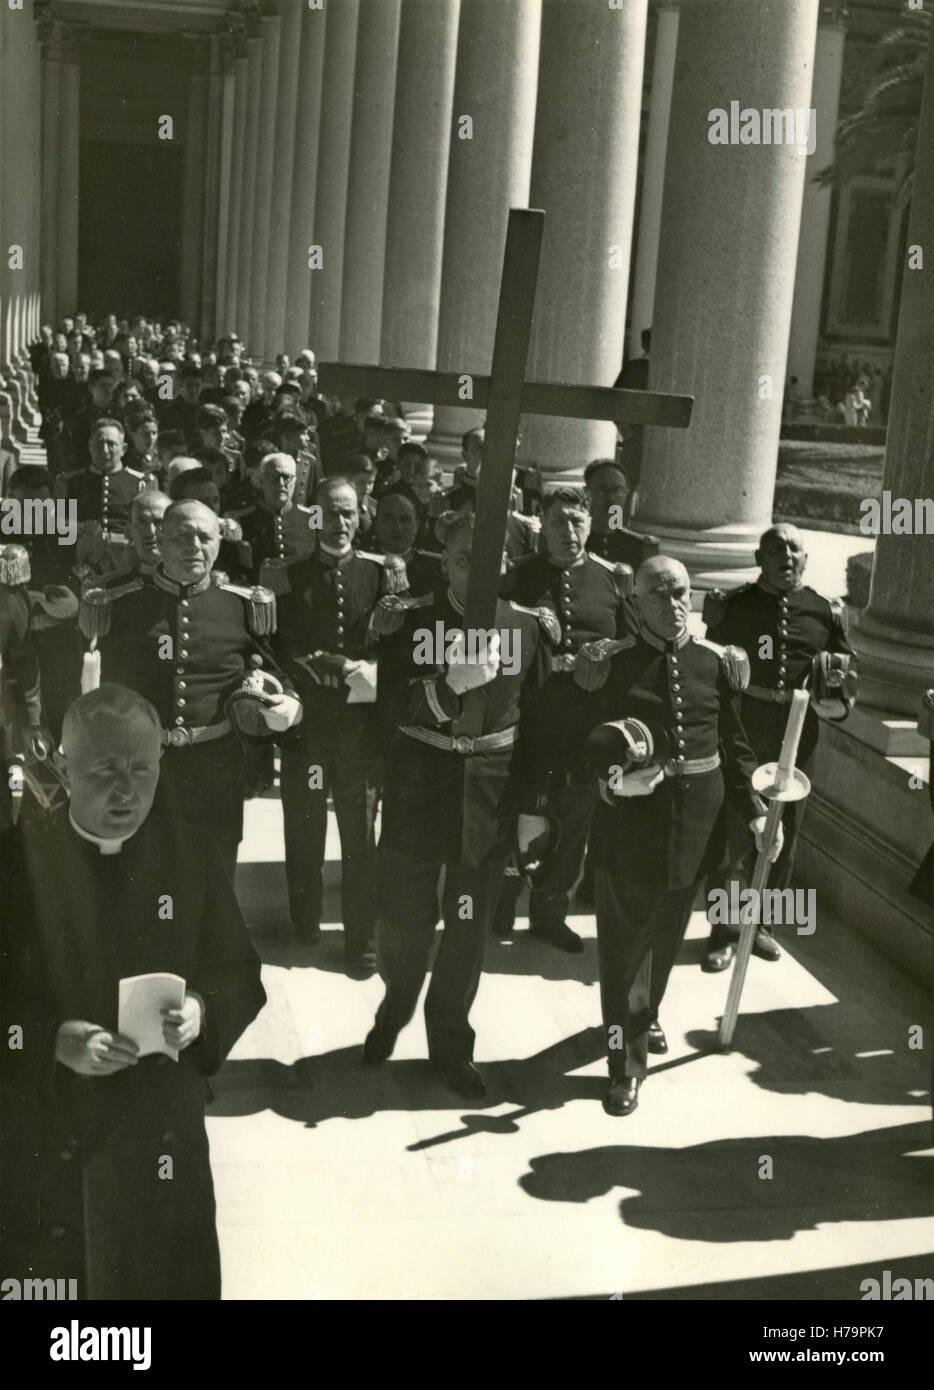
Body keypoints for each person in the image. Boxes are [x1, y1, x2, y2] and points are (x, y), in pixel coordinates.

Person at [0, 683, 266, 1299]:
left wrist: (203, 1011)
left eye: (142, 768)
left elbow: (241, 975)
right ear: (64, 766)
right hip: (48, 1126)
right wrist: (49, 1041)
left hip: (158, 1135)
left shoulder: (191, 857)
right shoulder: (15, 864)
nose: (127, 790)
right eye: (104, 770)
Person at [548, 556, 772, 1117]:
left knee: (666, 940)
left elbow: (734, 745)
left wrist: (756, 809)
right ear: (636, 603)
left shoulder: (715, 663)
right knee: (622, 953)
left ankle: (642, 1019)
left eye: (682, 594)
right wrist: (615, 781)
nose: (674, 605)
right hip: (630, 827)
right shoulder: (609, 665)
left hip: (699, 825)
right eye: (660, 595)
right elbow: (578, 745)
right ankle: (624, 1064)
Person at [365, 510, 549, 1097]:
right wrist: (448, 689)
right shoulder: (410, 619)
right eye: (466, 557)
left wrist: (533, 805)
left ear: (509, 564)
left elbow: (539, 725)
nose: (478, 569)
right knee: (404, 915)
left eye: (492, 558)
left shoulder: (525, 628)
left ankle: (449, 1040)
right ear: (445, 560)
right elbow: (389, 705)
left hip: (489, 793)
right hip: (420, 783)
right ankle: (395, 1005)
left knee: (468, 925)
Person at [80, 500, 301, 878]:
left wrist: (289, 704)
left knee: (213, 887)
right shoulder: (119, 601)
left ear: (219, 543)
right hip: (140, 769)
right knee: (143, 885)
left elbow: (277, 671)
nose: (194, 546)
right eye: (182, 537)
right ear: (159, 542)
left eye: (204, 537)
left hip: (215, 769)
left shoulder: (242, 604)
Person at [700, 523, 856, 971]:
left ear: (806, 560)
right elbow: (710, 666)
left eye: (795, 548)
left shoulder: (825, 612)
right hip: (745, 728)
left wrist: (841, 683)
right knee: (734, 829)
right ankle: (724, 930)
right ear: (758, 558)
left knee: (786, 829)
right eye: (777, 547)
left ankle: (763, 925)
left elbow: (845, 675)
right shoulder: (736, 606)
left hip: (798, 732)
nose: (787, 554)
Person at [496, 488, 635, 951]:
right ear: (542, 527)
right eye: (558, 522)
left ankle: (550, 914)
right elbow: (495, 638)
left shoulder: (611, 580)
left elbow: (634, 640)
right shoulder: (520, 577)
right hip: (528, 722)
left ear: (591, 525)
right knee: (516, 815)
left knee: (574, 823)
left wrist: (606, 654)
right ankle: (501, 899)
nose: (569, 531)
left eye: (577, 521)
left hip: (586, 728)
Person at [273, 478, 400, 972]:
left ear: (359, 515)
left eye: (348, 513)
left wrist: (368, 672)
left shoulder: (383, 574)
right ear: (314, 517)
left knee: (359, 837)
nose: (340, 522)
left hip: (360, 734)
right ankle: (304, 919)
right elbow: (277, 646)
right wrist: (317, 665)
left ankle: (360, 940)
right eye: (329, 512)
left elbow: (397, 644)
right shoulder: (288, 575)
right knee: (304, 826)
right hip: (309, 728)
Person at [58, 418, 148, 579]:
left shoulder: (140, 483)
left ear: (123, 448)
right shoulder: (72, 482)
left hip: (126, 562)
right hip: (82, 562)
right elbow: (59, 525)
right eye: (99, 444)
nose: (105, 450)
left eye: (111, 444)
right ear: (90, 446)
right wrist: (80, 528)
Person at [237, 452, 316, 586]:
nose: (280, 483)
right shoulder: (242, 519)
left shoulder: (314, 517)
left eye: (286, 477)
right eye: (272, 477)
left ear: (295, 482)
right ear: (261, 481)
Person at [584, 459, 660, 570]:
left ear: (626, 495)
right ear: (587, 493)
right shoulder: (574, 540)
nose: (610, 498)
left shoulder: (642, 547)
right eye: (603, 490)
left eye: (618, 490)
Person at [373, 487, 443, 597]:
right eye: (389, 519)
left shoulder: (436, 567)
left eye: (405, 520)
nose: (397, 528)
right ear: (376, 524)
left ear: (417, 526)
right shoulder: (360, 567)